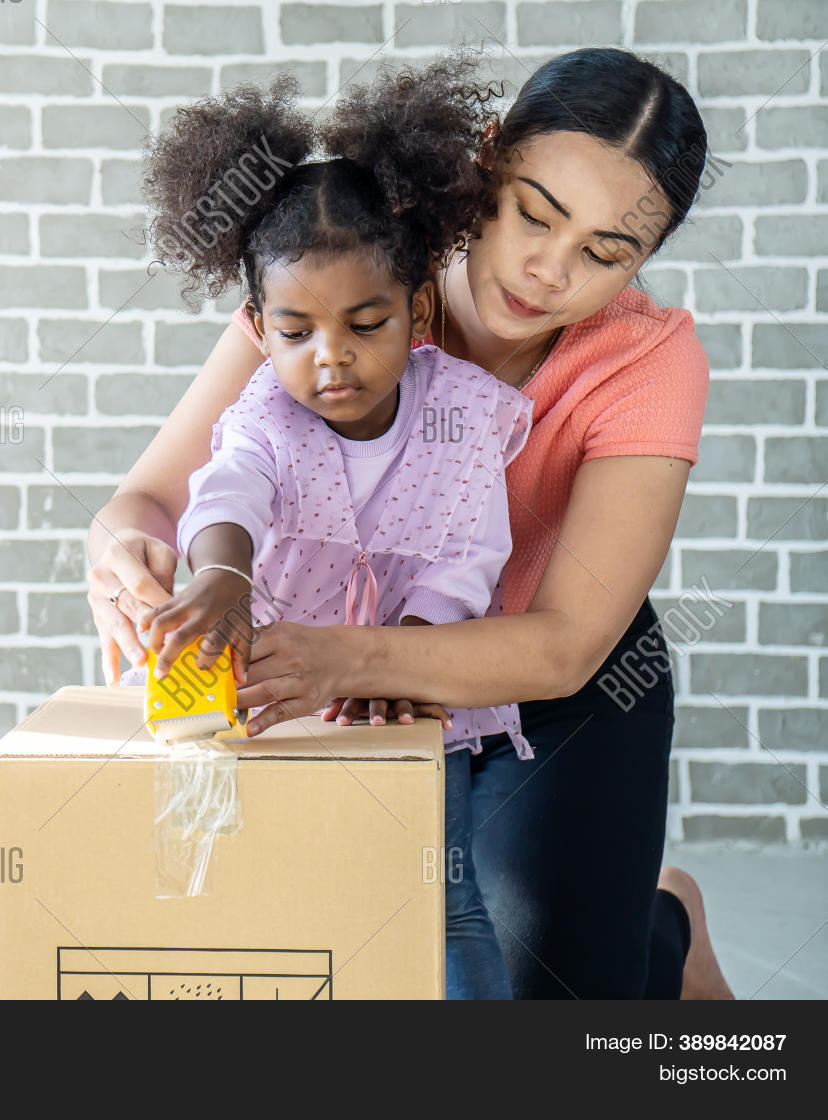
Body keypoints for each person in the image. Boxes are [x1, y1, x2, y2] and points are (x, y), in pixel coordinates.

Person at [87, 47, 734, 1000]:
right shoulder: (352, 277)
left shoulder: (649, 363)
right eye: (532, 213)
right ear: (487, 158)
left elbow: (561, 647)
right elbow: (154, 498)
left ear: (646, 259)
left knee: (553, 991)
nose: (549, 271)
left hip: (558, 682)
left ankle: (663, 928)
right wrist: (123, 557)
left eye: (605, 252)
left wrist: (350, 659)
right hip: (343, 668)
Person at [114, 61, 536, 997]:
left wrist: (404, 659)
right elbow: (229, 495)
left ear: (419, 310)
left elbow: (471, 557)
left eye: (366, 321)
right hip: (287, 696)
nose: (331, 355)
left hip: (419, 699)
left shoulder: (465, 410)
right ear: (258, 329)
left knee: (442, 898)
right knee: (299, 892)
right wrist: (219, 577)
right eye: (298, 330)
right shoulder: (265, 413)